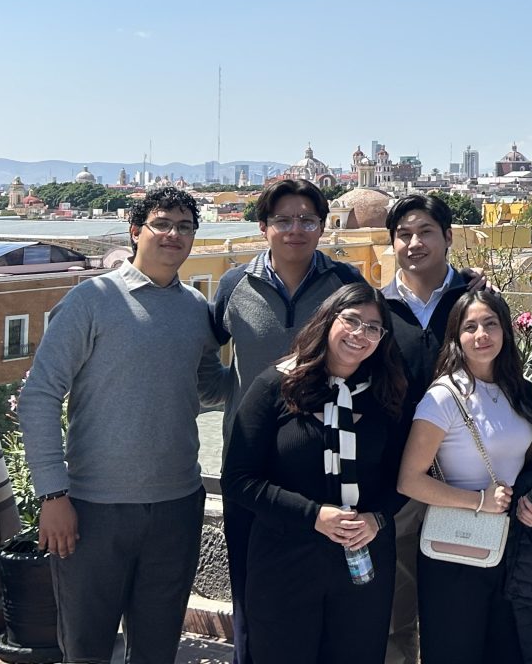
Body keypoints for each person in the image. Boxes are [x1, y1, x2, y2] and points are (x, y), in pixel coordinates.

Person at [20, 186, 226, 664]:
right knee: (87, 649)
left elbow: (208, 387)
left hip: (177, 506)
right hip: (93, 510)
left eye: (186, 226)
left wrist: (280, 366)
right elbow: (39, 396)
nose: (174, 234)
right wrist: (52, 495)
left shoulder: (195, 308)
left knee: (156, 649)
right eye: (162, 224)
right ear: (136, 231)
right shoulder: (91, 299)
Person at [211, 177, 363, 664]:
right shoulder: (235, 284)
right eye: (283, 220)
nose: (295, 229)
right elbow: (205, 353)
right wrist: (234, 397)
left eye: (307, 220)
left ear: (322, 227)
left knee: (328, 600)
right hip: (251, 470)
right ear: (264, 227)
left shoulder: (346, 285)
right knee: (251, 595)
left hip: (323, 467)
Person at [221, 283, 407, 664]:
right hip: (284, 561)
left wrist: (377, 518)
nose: (361, 334)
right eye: (352, 320)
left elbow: (402, 477)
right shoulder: (276, 385)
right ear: (328, 320)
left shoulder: (386, 392)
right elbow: (238, 479)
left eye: (373, 327)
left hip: (362, 563)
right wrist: (313, 516)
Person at [397, 285, 532, 664]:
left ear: (505, 330)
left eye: (490, 323)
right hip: (456, 552)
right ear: (456, 336)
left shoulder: (518, 390)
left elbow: (525, 463)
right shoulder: (444, 396)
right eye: (470, 327)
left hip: (509, 545)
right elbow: (409, 479)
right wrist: (479, 501)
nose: (481, 335)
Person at [381, 193, 478, 664]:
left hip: (463, 481)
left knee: (457, 607)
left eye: (425, 232)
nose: (414, 243)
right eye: (404, 235)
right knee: (393, 611)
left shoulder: (475, 304)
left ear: (448, 238)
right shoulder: (375, 309)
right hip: (394, 482)